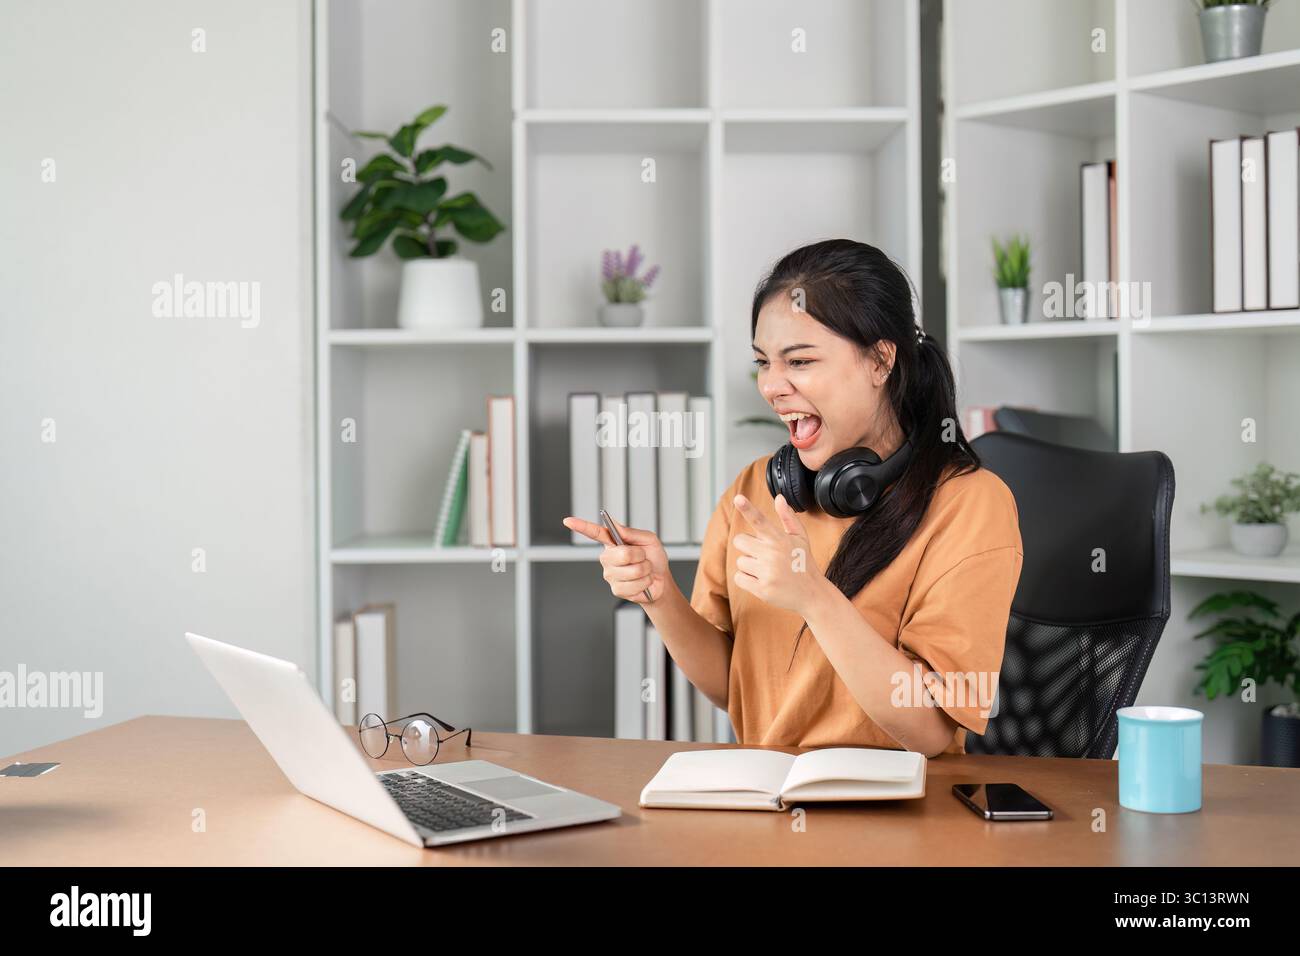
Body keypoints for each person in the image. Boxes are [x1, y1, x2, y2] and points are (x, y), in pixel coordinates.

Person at [564, 239, 1023, 757]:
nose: (772, 386)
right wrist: (659, 595)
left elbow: (932, 733)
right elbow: (733, 688)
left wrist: (813, 595)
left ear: (880, 360)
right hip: (772, 802)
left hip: (903, 814)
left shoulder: (969, 504)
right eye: (764, 362)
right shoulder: (756, 490)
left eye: (799, 361)